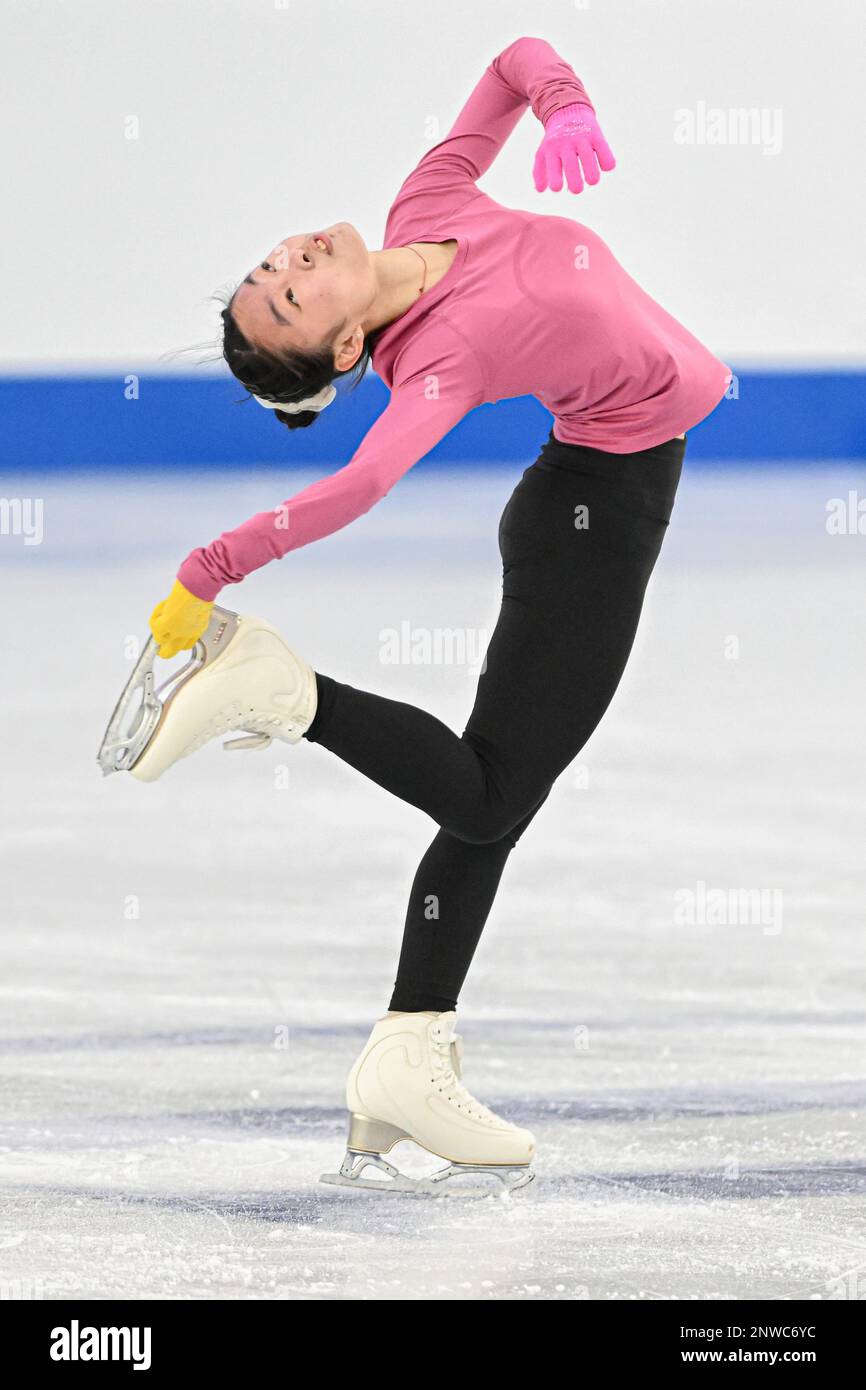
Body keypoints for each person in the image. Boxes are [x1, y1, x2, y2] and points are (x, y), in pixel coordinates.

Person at [146, 36, 731, 1189]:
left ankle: (405, 1056)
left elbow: (514, 58)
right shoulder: (438, 359)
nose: (291, 258)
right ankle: (289, 695)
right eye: (290, 295)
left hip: (595, 499)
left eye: (273, 266)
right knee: (490, 793)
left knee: (490, 802)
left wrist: (564, 109)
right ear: (347, 343)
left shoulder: (429, 200)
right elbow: (360, 483)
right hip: (593, 519)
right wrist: (214, 566)